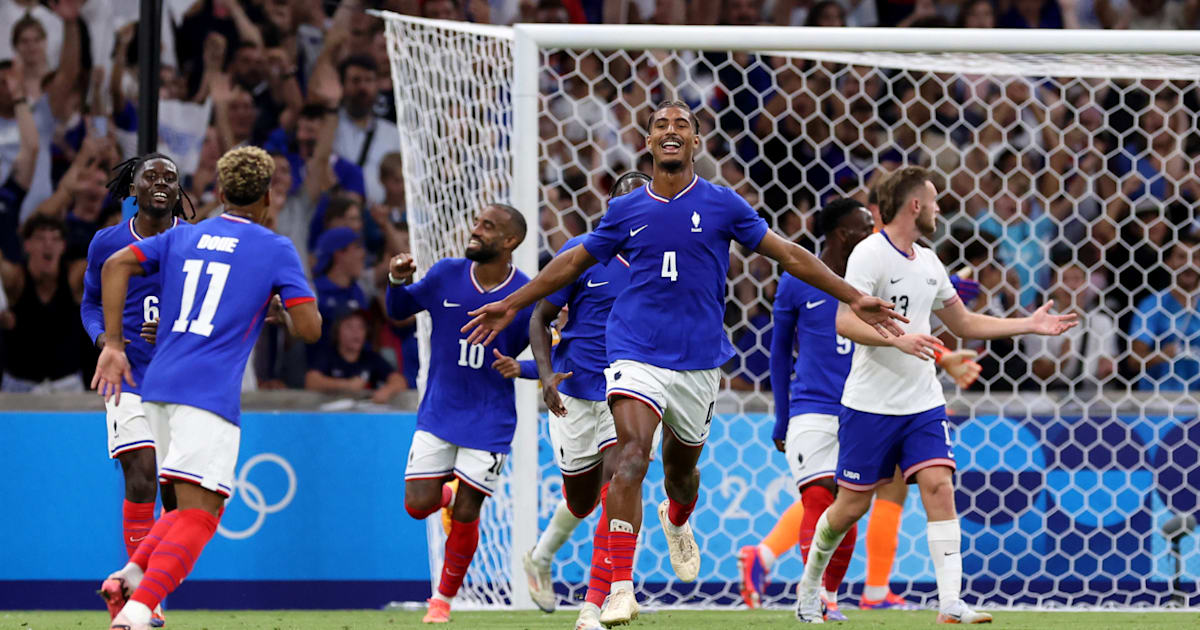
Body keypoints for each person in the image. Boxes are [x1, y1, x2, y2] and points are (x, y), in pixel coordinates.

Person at [461, 100, 905, 626]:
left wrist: (852, 295)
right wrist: (513, 302)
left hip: (697, 362)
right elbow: (574, 260)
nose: (670, 132)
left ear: (696, 142)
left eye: (681, 126)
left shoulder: (722, 204)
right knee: (630, 456)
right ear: (647, 143)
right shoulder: (625, 210)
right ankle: (619, 588)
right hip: (633, 352)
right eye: (660, 126)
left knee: (681, 472)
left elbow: (788, 254)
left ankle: (678, 519)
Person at [795, 166, 1076, 624]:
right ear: (915, 205)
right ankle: (811, 589)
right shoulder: (869, 254)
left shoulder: (928, 261)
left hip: (922, 401)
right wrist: (898, 340)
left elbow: (964, 323)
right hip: (870, 404)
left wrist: (1029, 324)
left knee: (939, 486)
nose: (941, 207)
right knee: (850, 507)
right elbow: (845, 322)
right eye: (934, 198)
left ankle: (950, 602)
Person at [92, 146, 321, 630]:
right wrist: (281, 302)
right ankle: (136, 612)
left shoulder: (185, 237)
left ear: (217, 193)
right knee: (202, 515)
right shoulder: (274, 248)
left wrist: (113, 345)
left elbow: (115, 266)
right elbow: (310, 329)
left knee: (182, 508)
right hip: (208, 394)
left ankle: (129, 576)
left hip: (157, 384)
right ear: (267, 198)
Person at [738, 198, 981, 616]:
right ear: (840, 232)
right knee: (824, 495)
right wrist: (782, 415)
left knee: (858, 501)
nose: (872, 231)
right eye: (863, 225)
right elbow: (779, 352)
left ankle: (853, 586)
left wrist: (948, 313)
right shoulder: (801, 278)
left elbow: (905, 329)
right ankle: (829, 591)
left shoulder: (881, 271)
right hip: (817, 406)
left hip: (872, 404)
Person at [385, 202, 534, 624]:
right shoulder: (446, 274)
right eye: (476, 222)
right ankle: (446, 494)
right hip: (440, 411)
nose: (476, 230)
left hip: (490, 420)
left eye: (488, 227)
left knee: (470, 511)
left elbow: (555, 352)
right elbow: (399, 310)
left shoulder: (526, 295)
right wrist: (398, 279)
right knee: (418, 506)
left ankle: (441, 602)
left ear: (510, 242)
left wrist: (522, 367)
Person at [517, 171, 650, 628]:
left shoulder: (661, 261)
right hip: (574, 392)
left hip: (628, 391)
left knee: (619, 486)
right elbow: (540, 317)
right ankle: (541, 555)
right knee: (581, 499)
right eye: (625, 202)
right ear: (611, 207)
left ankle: (595, 606)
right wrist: (547, 373)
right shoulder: (582, 254)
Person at [79, 153, 191, 627]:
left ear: (179, 189)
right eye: (151, 176)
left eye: (170, 176)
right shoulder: (107, 242)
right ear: (133, 189)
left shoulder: (195, 241)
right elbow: (89, 304)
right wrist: (107, 342)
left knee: (176, 500)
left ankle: (140, 582)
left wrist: (174, 329)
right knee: (140, 471)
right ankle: (145, 600)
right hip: (126, 376)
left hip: (181, 382)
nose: (161, 182)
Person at [305, 308, 407, 403]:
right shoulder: (327, 354)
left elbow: (399, 381)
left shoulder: (370, 357)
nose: (356, 332)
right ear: (337, 331)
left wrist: (387, 391)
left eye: (361, 327)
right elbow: (311, 381)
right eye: (349, 326)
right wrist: (346, 385)